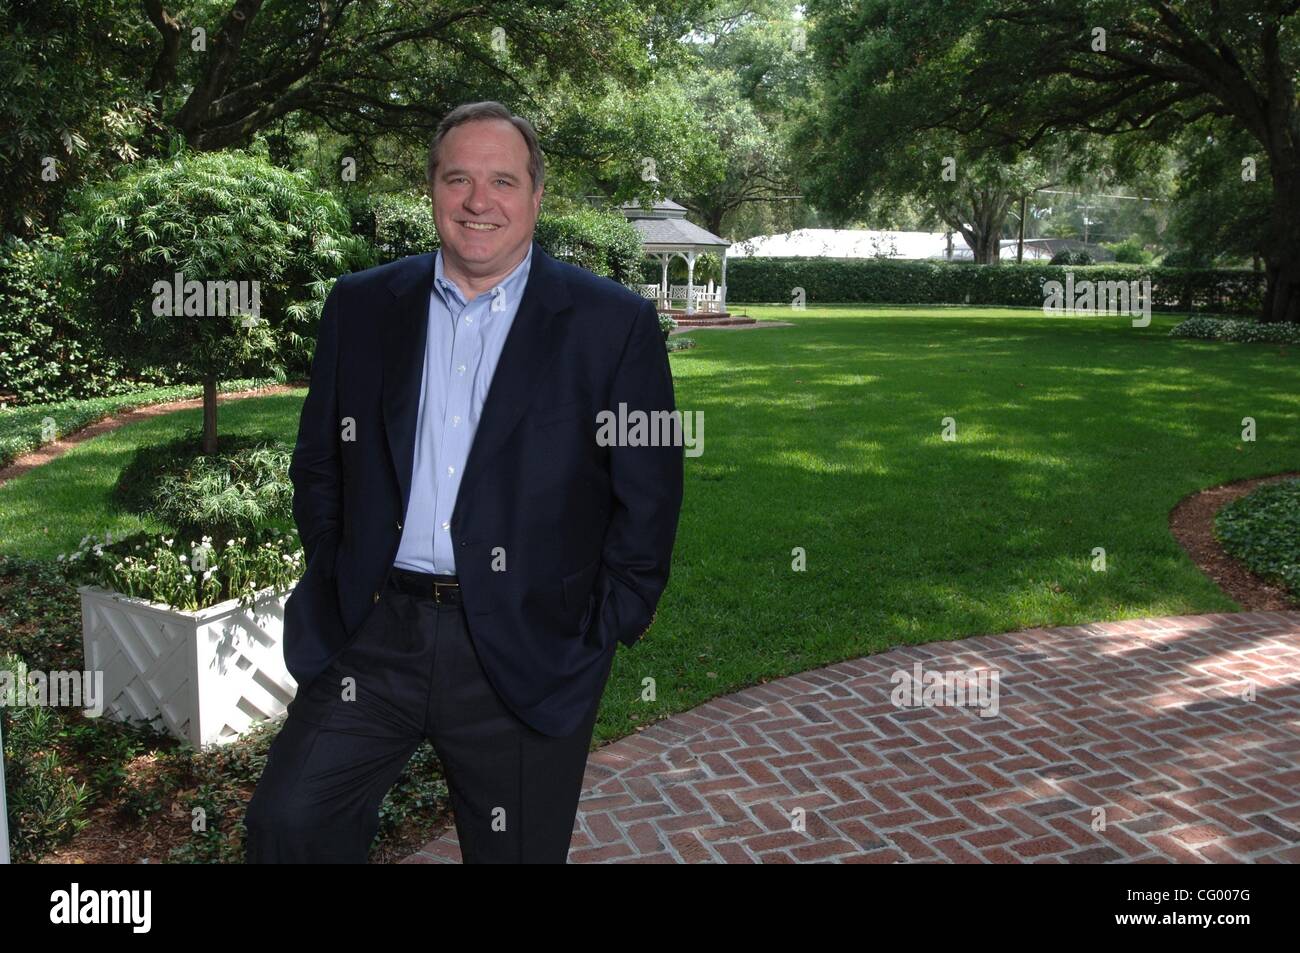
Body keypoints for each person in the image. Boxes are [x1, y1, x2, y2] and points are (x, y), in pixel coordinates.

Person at [243, 100, 684, 863]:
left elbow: (649, 493)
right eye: (459, 180)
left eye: (503, 181)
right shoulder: (361, 306)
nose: (480, 202)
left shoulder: (610, 324)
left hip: (525, 648)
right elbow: (319, 461)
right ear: (432, 190)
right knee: (289, 823)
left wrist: (608, 622)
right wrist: (337, 562)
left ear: (537, 197)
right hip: (375, 635)